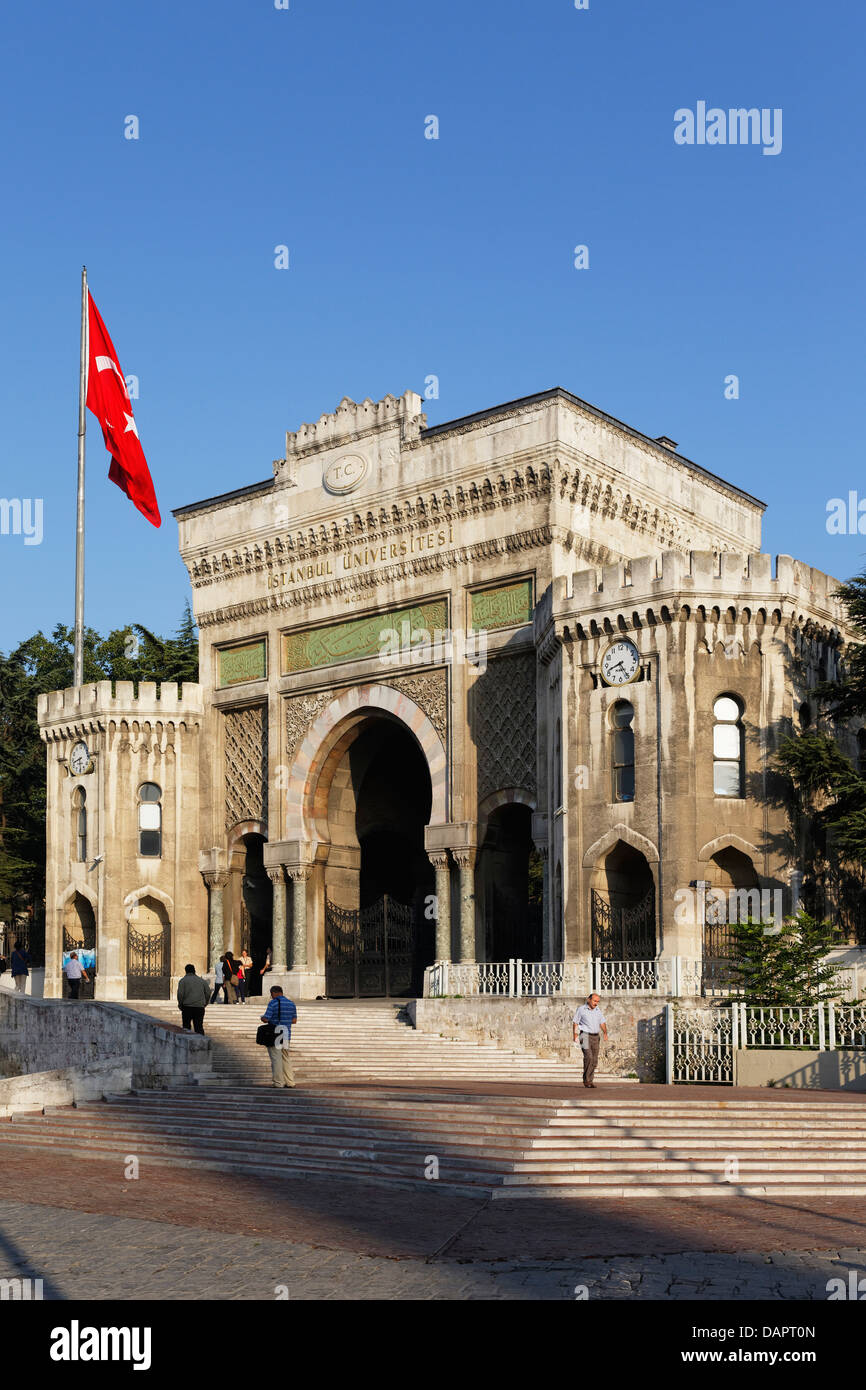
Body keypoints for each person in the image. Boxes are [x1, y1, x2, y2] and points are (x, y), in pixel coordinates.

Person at [260, 985, 297, 1088]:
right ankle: (290, 1081)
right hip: (286, 1033)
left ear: (274, 993)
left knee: (276, 1058)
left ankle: (279, 1082)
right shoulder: (291, 1003)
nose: (271, 996)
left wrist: (262, 1018)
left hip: (276, 1034)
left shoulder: (273, 1003)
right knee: (285, 1057)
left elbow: (266, 1019)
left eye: (271, 994)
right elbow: (294, 1020)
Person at [572, 992, 609, 1088]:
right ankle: (587, 1080)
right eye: (594, 1001)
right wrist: (575, 1035)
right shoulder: (581, 1009)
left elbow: (602, 1022)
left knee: (594, 1060)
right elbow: (575, 1023)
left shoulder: (597, 1010)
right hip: (584, 1035)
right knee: (589, 1057)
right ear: (589, 1000)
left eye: (597, 1001)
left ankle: (589, 1080)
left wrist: (605, 1033)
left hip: (596, 1037)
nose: (596, 1003)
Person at [176, 963, 210, 1034]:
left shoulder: (183, 981)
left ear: (186, 971)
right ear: (194, 970)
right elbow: (208, 993)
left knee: (186, 1027)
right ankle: (202, 1043)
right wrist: (205, 1002)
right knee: (199, 1027)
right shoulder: (201, 981)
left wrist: (180, 1003)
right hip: (199, 1007)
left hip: (187, 1007)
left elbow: (180, 994)